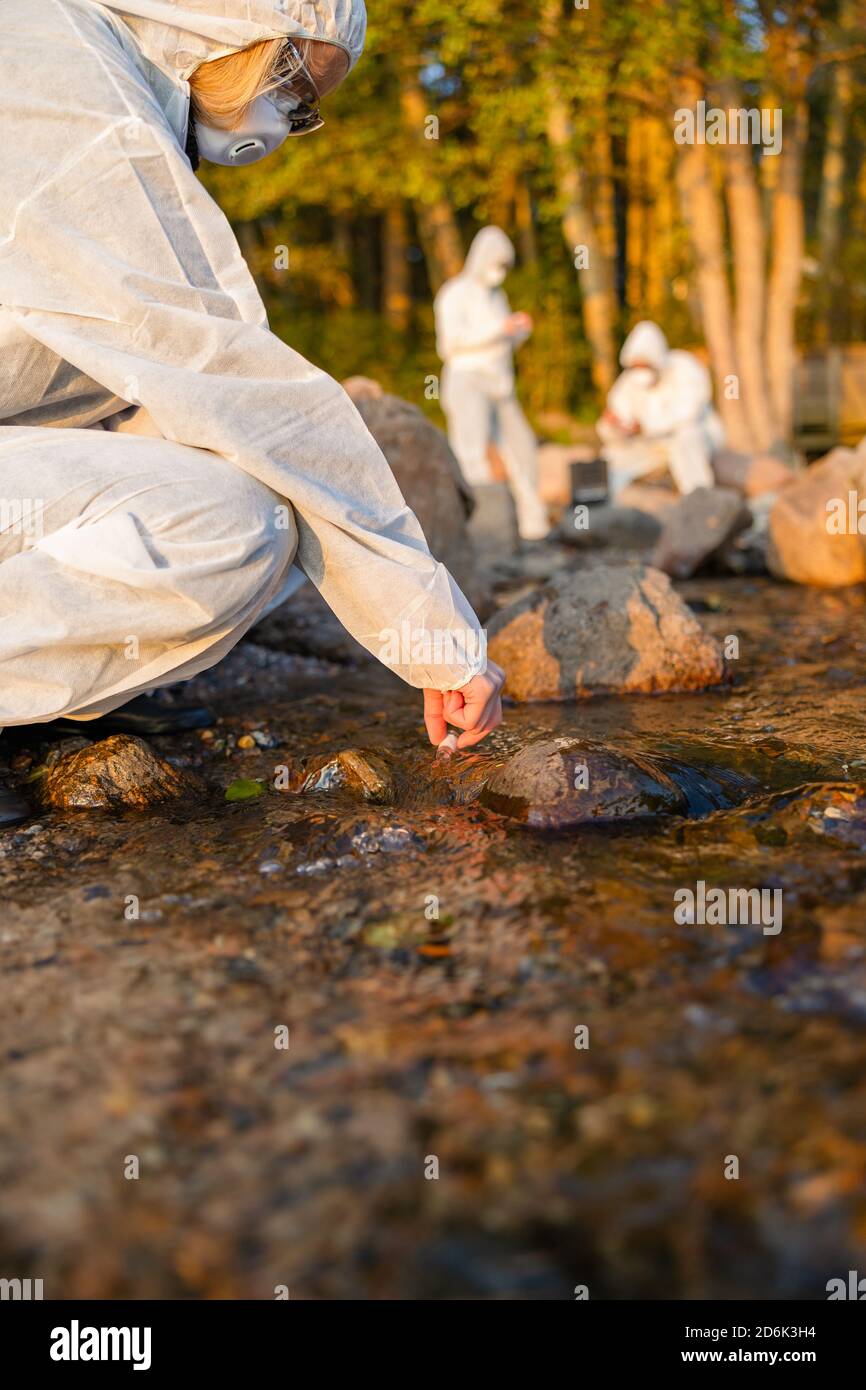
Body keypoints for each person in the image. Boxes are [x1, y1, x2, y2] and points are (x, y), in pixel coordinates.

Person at [0, 0, 504, 827]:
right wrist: (437, 638)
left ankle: (49, 701)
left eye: (308, 110)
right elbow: (226, 377)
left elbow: (140, 390)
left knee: (258, 494)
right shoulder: (66, 85)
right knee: (236, 523)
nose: (294, 120)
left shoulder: (108, 77)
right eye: (297, 86)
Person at [434, 226, 550, 542]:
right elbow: (450, 344)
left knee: (522, 446)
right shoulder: (454, 293)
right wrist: (499, 328)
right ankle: (482, 531)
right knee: (471, 454)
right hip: (467, 379)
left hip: (501, 384)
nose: (500, 271)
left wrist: (516, 332)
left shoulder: (499, 297)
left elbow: (502, 342)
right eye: (497, 263)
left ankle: (532, 525)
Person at [597, 321, 725, 500]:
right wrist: (613, 427)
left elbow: (688, 414)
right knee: (610, 457)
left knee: (687, 437)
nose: (640, 372)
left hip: (694, 439)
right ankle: (605, 506)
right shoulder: (628, 382)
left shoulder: (684, 367)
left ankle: (699, 499)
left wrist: (645, 427)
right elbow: (612, 424)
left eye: (645, 365)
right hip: (649, 446)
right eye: (636, 366)